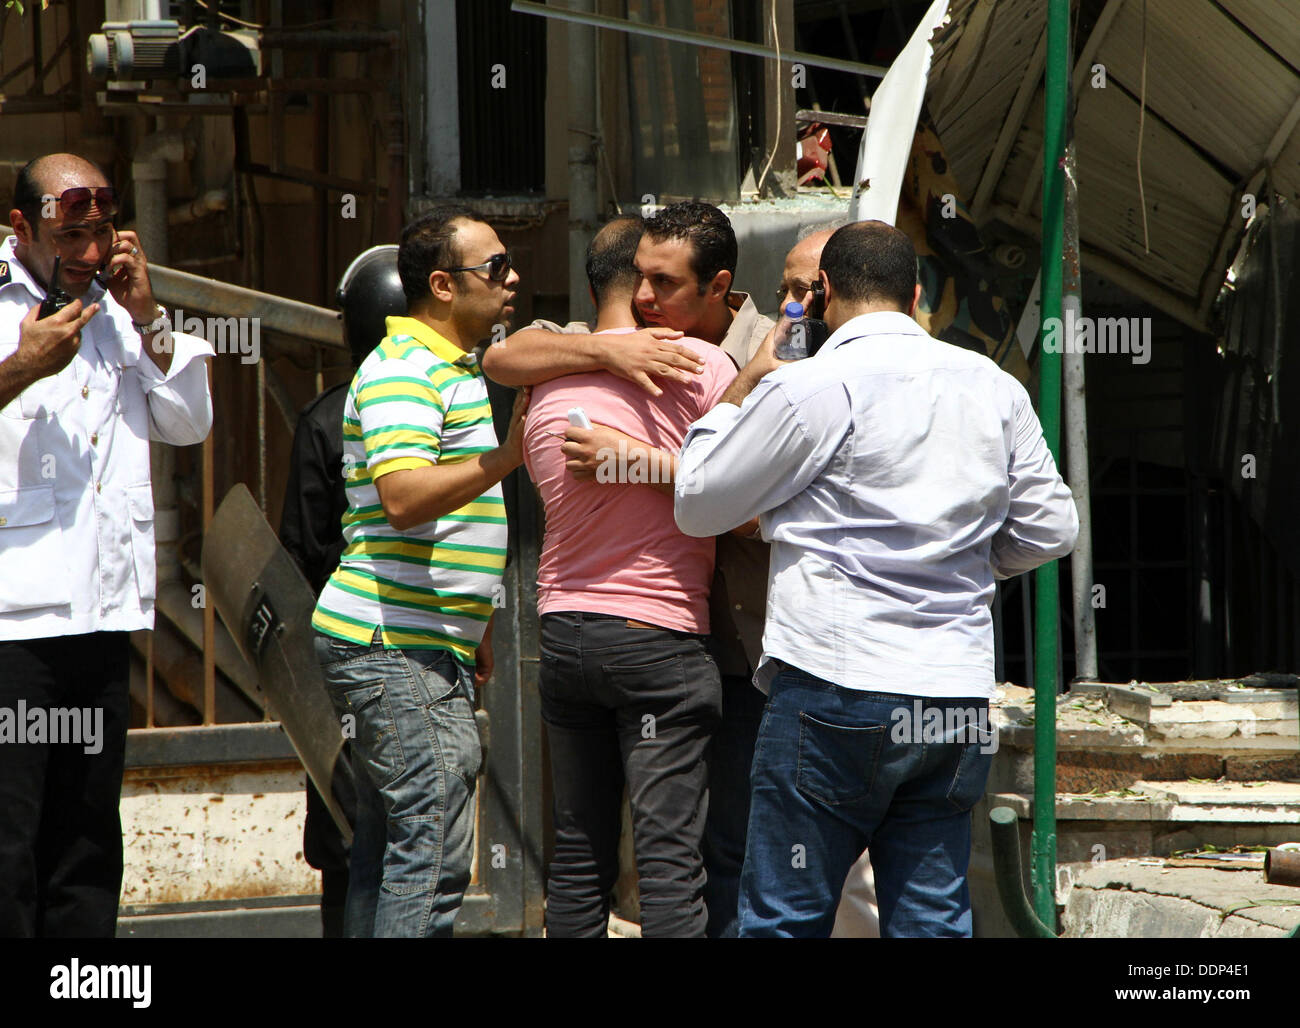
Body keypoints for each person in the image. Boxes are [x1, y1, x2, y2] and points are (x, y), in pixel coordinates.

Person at [675, 220, 1078, 937]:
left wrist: (746, 381)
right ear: (916, 294)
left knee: (784, 917)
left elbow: (698, 501)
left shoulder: (806, 387)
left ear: (823, 292)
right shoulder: (993, 386)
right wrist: (964, 563)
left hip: (833, 688)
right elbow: (1051, 529)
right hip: (952, 695)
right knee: (931, 917)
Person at [484, 201, 773, 936]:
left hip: (565, 637)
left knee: (577, 858)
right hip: (660, 643)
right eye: (647, 280)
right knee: (671, 864)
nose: (651, 297)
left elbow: (501, 357)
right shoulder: (701, 364)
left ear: (590, 291)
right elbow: (744, 504)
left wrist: (606, 374)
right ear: (631, 283)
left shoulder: (547, 375)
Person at [0, 153, 213, 937]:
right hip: (13, 624)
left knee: (87, 843)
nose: (90, 253)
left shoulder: (117, 307)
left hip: (101, 612)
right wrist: (21, 367)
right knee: (10, 844)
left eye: (102, 234)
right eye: (70, 237)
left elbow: (187, 424)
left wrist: (150, 317)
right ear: (22, 226)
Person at [310, 205, 528, 938]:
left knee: (389, 851)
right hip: (393, 645)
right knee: (430, 854)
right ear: (442, 284)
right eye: (495, 267)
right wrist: (505, 458)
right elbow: (403, 498)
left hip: (422, 639)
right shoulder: (406, 369)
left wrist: (475, 622)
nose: (512, 278)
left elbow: (449, 519)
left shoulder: (448, 366)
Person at [279, 244, 404, 937]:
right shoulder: (442, 408)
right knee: (414, 826)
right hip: (420, 647)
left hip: (343, 654)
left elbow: (296, 552)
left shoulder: (326, 418)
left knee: (346, 825)